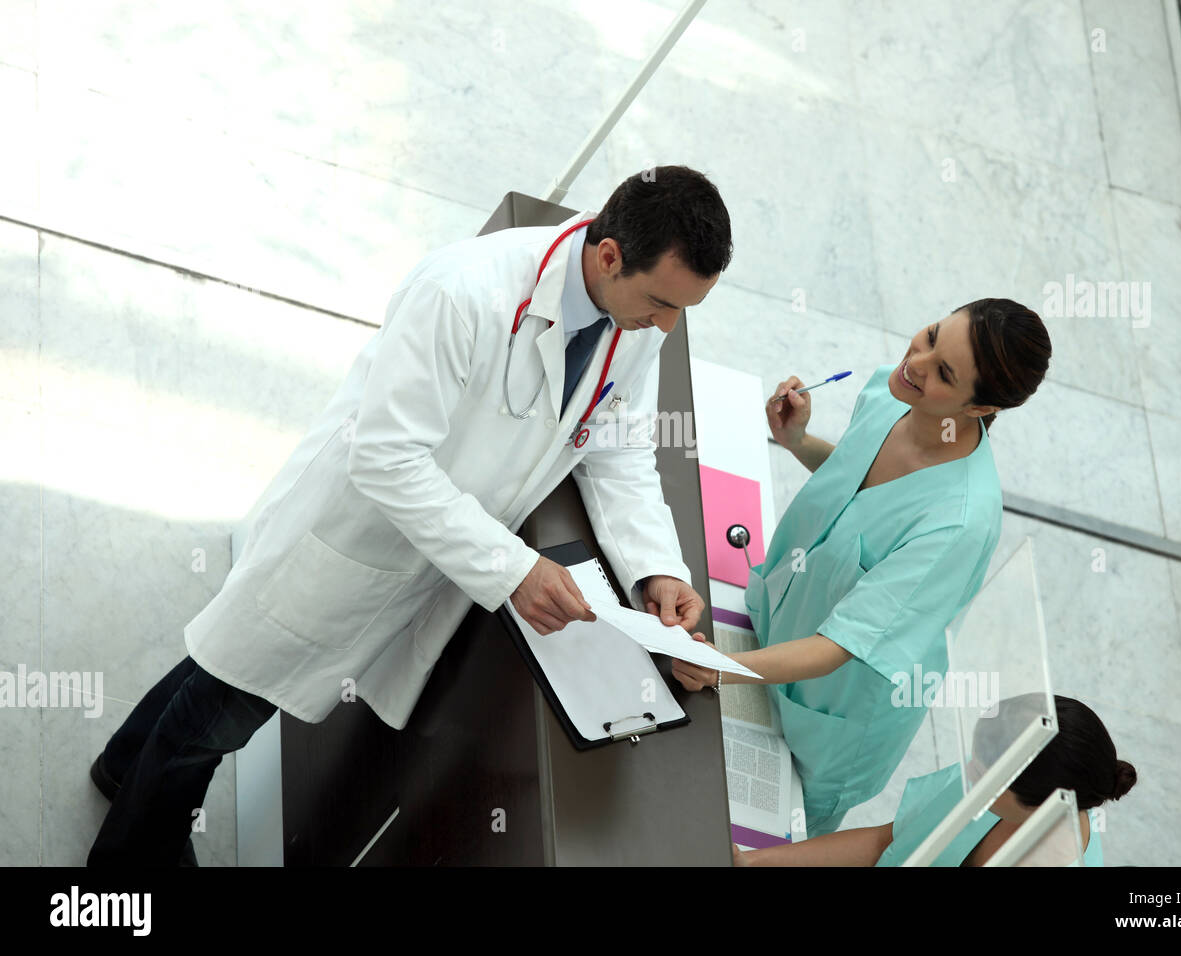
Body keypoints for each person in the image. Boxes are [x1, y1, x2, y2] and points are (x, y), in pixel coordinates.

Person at [87, 165, 733, 865]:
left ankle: (126, 767)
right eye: (662, 303)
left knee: (230, 670)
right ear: (609, 256)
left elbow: (617, 447)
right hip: (348, 538)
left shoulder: (632, 319)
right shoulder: (462, 292)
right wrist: (513, 568)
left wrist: (657, 569)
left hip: (429, 548)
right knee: (227, 710)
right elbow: (387, 459)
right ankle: (132, 858)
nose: (666, 326)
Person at [672, 300, 1052, 837]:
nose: (915, 363)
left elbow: (839, 647)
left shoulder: (958, 524)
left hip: (827, 717)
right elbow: (855, 486)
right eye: (930, 335)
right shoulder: (888, 390)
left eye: (944, 372)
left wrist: (727, 670)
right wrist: (798, 441)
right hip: (772, 634)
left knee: (758, 841)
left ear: (978, 409)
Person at [732, 695, 1137, 866]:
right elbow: (885, 844)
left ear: (1041, 807)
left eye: (985, 773)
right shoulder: (997, 775)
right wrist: (753, 861)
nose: (971, 774)